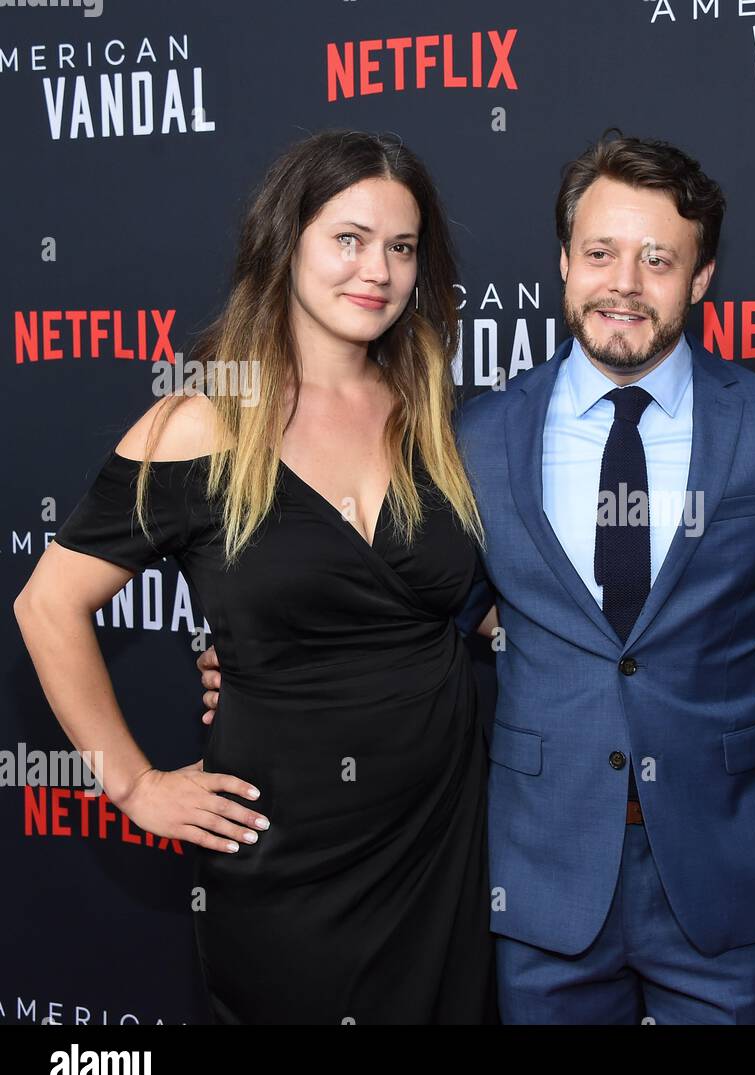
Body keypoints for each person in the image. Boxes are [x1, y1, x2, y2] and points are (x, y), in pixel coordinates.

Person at [200, 133, 755, 1024]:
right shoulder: (473, 439)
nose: (625, 286)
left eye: (658, 260)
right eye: (600, 253)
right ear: (563, 261)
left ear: (702, 278)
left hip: (731, 884)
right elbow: (421, 608)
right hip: (541, 879)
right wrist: (269, 667)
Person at [13, 130, 494, 1024]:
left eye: (400, 247)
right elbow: (47, 604)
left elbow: (468, 605)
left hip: (440, 840)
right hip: (283, 854)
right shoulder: (201, 424)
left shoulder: (434, 419)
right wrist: (132, 783)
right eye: (347, 239)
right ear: (287, 242)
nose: (377, 270)